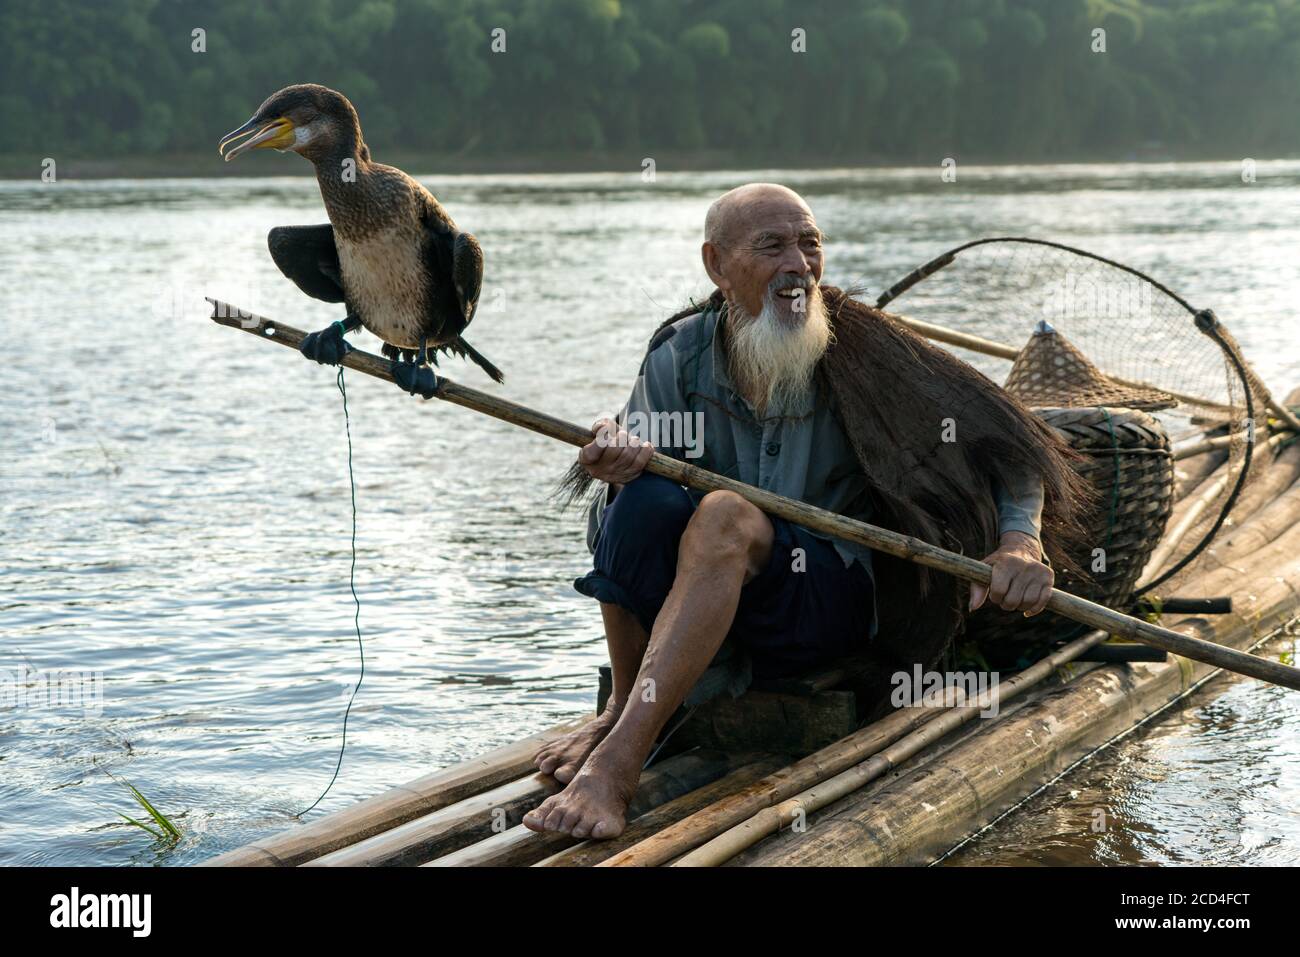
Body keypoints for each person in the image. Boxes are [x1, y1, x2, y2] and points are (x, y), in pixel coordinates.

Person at [523, 183, 1088, 840]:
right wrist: (616, 450)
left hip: (821, 603)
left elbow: (1009, 444)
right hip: (705, 598)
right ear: (717, 266)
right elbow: (634, 500)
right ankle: (626, 703)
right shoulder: (677, 354)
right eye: (772, 247)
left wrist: (1020, 541)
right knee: (632, 498)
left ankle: (615, 766)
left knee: (725, 517)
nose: (798, 264)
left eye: (809, 243)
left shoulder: (863, 350)